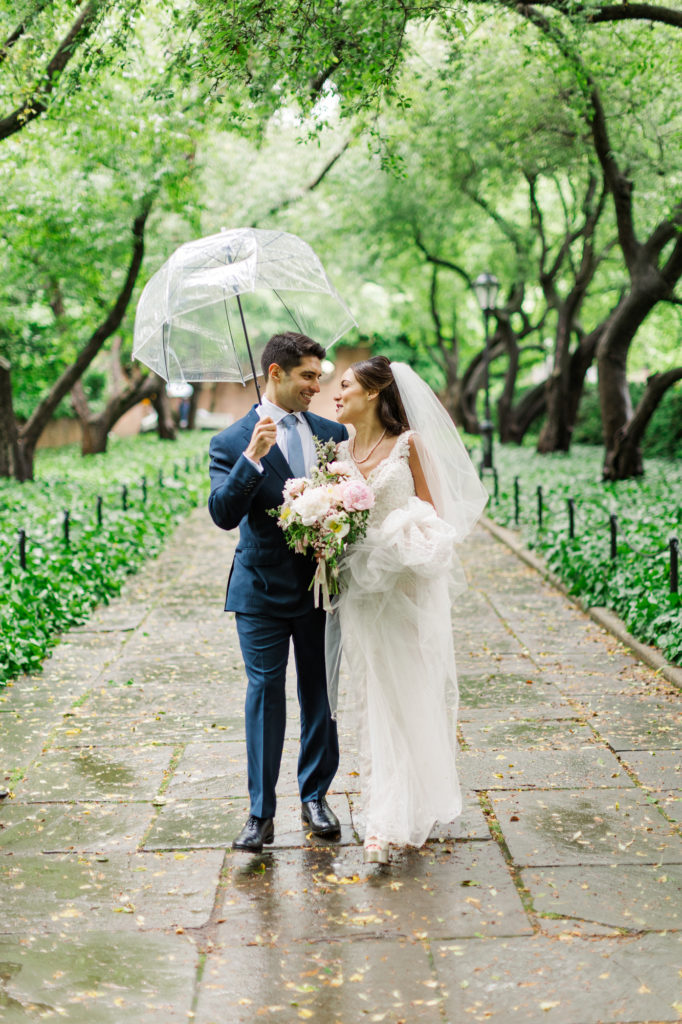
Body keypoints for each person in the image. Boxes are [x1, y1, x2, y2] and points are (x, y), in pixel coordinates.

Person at [329, 356, 488, 863]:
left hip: (403, 590)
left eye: (346, 385)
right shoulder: (335, 451)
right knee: (371, 694)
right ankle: (383, 815)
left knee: (406, 694)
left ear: (374, 392)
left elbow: (438, 513)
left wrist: (404, 539)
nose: (336, 394)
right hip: (359, 591)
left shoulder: (409, 445)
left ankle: (393, 815)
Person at [208, 332, 348, 852]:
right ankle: (260, 814)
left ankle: (315, 796)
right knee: (265, 697)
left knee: (320, 694)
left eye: (320, 374)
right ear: (275, 374)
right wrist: (252, 458)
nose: (319, 384)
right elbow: (223, 515)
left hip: (320, 588)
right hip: (261, 589)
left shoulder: (334, 434)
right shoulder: (231, 441)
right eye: (308, 376)